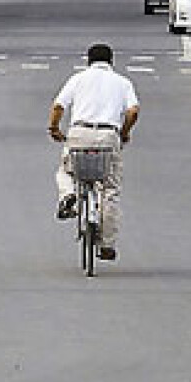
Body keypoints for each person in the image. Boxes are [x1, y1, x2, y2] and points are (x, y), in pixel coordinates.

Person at [48, 43, 139, 261]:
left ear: (88, 60)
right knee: (109, 189)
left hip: (79, 132)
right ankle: (107, 244)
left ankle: (68, 194)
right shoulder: (122, 82)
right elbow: (133, 111)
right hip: (109, 135)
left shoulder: (78, 79)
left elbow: (59, 106)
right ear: (111, 61)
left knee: (65, 171)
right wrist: (124, 133)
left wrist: (54, 128)